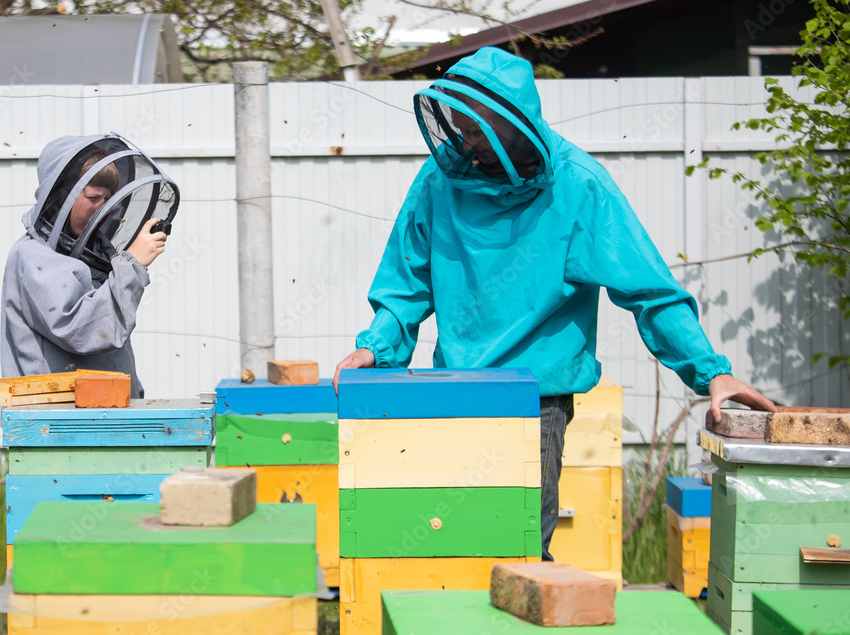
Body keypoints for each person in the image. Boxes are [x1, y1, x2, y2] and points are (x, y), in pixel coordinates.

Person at [332, 47, 776, 561]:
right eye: (460, 127)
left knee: (518, 544)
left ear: (515, 123)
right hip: (454, 390)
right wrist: (377, 347)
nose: (466, 141)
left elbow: (649, 291)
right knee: (452, 544)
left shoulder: (580, 186)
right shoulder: (440, 182)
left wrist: (709, 371)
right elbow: (406, 281)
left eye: (477, 129)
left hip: (536, 401)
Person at [1, 133, 180, 398]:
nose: (103, 209)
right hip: (55, 426)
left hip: (99, 418)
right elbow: (83, 330)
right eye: (94, 197)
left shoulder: (85, 255)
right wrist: (131, 264)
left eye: (108, 199)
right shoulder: (34, 257)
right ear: (63, 196)